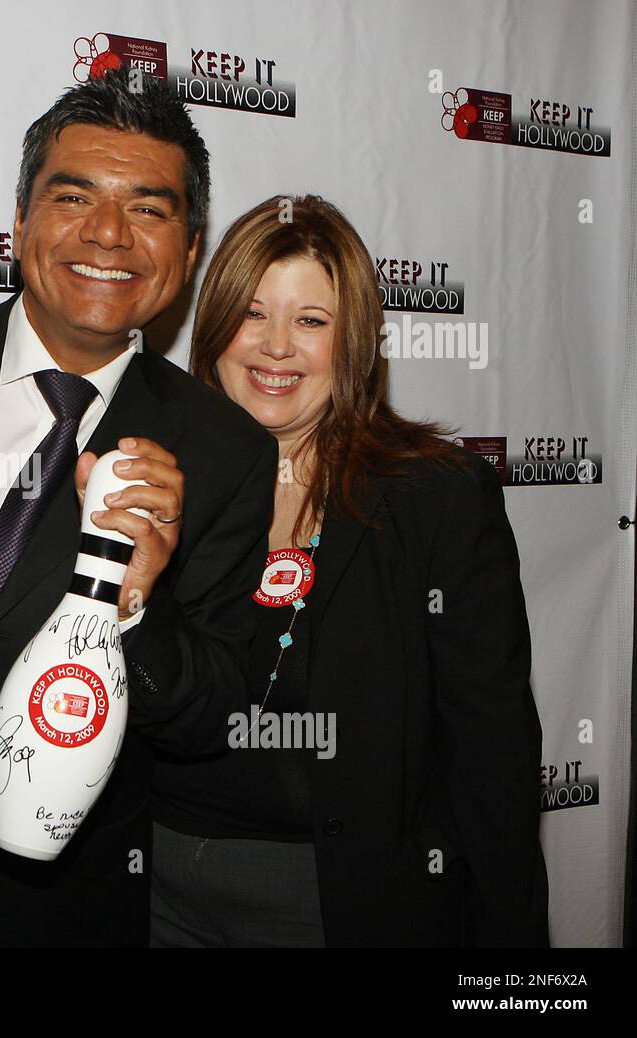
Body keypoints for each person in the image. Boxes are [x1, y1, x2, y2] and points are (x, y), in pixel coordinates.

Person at [0, 68, 276, 946]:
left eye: (150, 209)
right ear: (18, 224)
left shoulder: (226, 453)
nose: (109, 235)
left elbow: (210, 720)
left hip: (66, 913)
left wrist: (136, 604)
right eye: (74, 196)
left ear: (190, 251)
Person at [150, 194, 549, 947]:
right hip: (156, 887)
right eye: (253, 313)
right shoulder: (160, 479)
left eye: (310, 321)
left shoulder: (433, 496)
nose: (275, 347)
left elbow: (491, 752)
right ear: (214, 330)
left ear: (354, 341)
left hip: (331, 900)